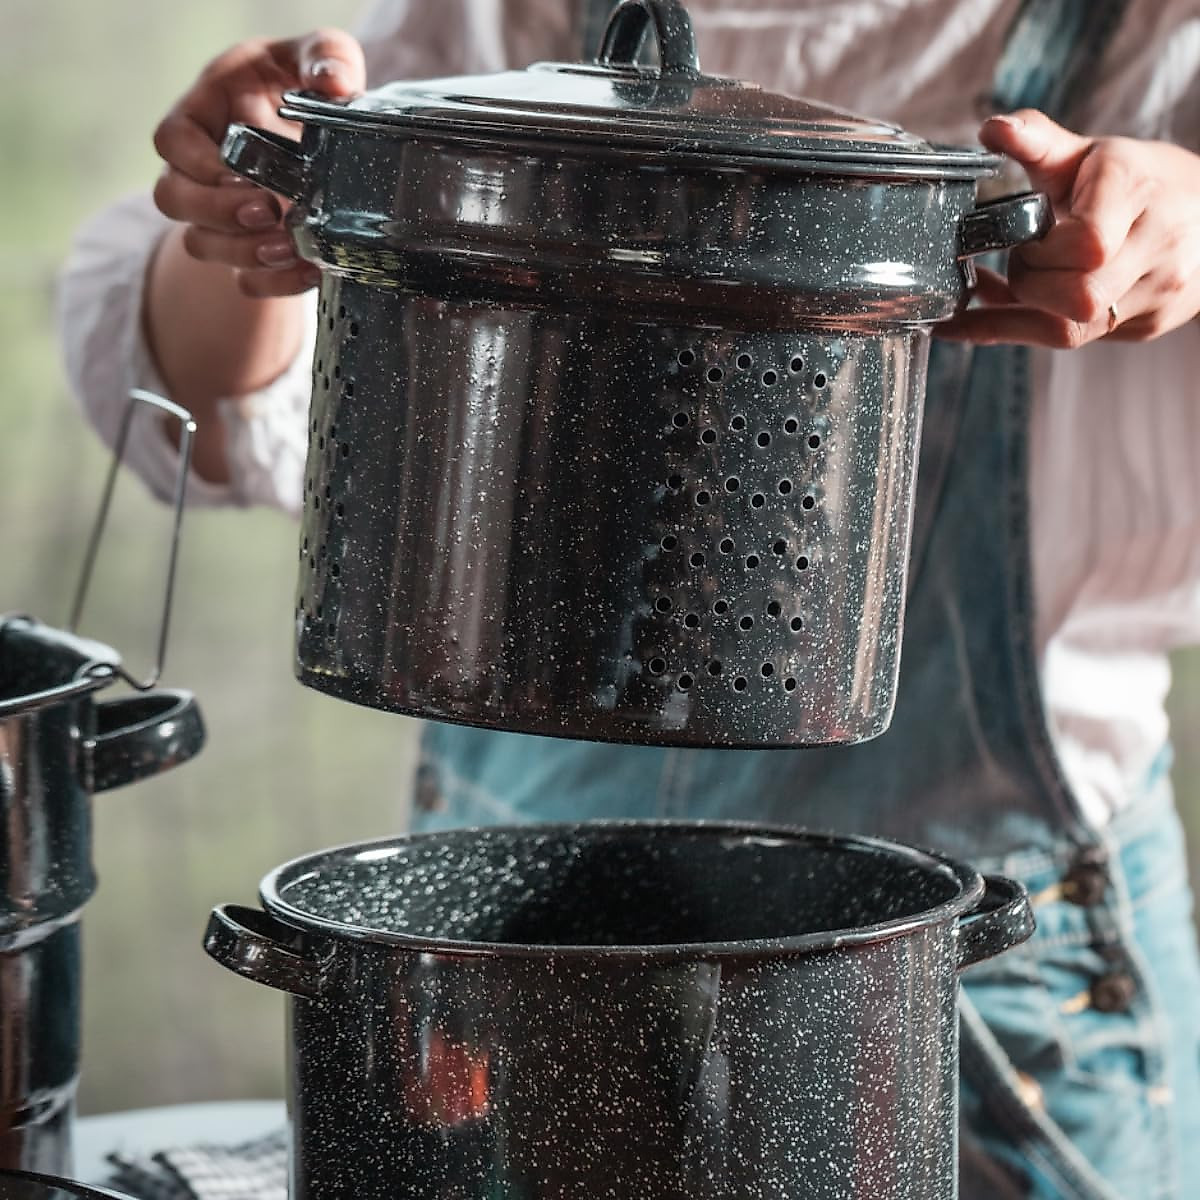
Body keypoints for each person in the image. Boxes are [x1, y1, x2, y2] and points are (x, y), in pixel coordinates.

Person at [57, 1, 1200, 1195]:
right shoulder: (500, 15)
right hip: (489, 954)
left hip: (983, 985)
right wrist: (250, 211)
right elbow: (199, 399)